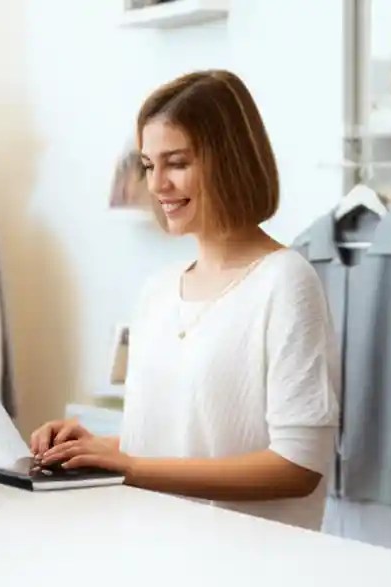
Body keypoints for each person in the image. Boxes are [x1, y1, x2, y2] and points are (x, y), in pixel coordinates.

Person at [30, 70, 341, 531]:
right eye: (149, 165)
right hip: (155, 549)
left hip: (249, 568)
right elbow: (185, 444)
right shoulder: (158, 290)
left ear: (229, 161)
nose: (157, 186)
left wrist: (131, 469)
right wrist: (94, 449)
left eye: (176, 163)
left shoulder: (285, 282)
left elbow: (297, 468)